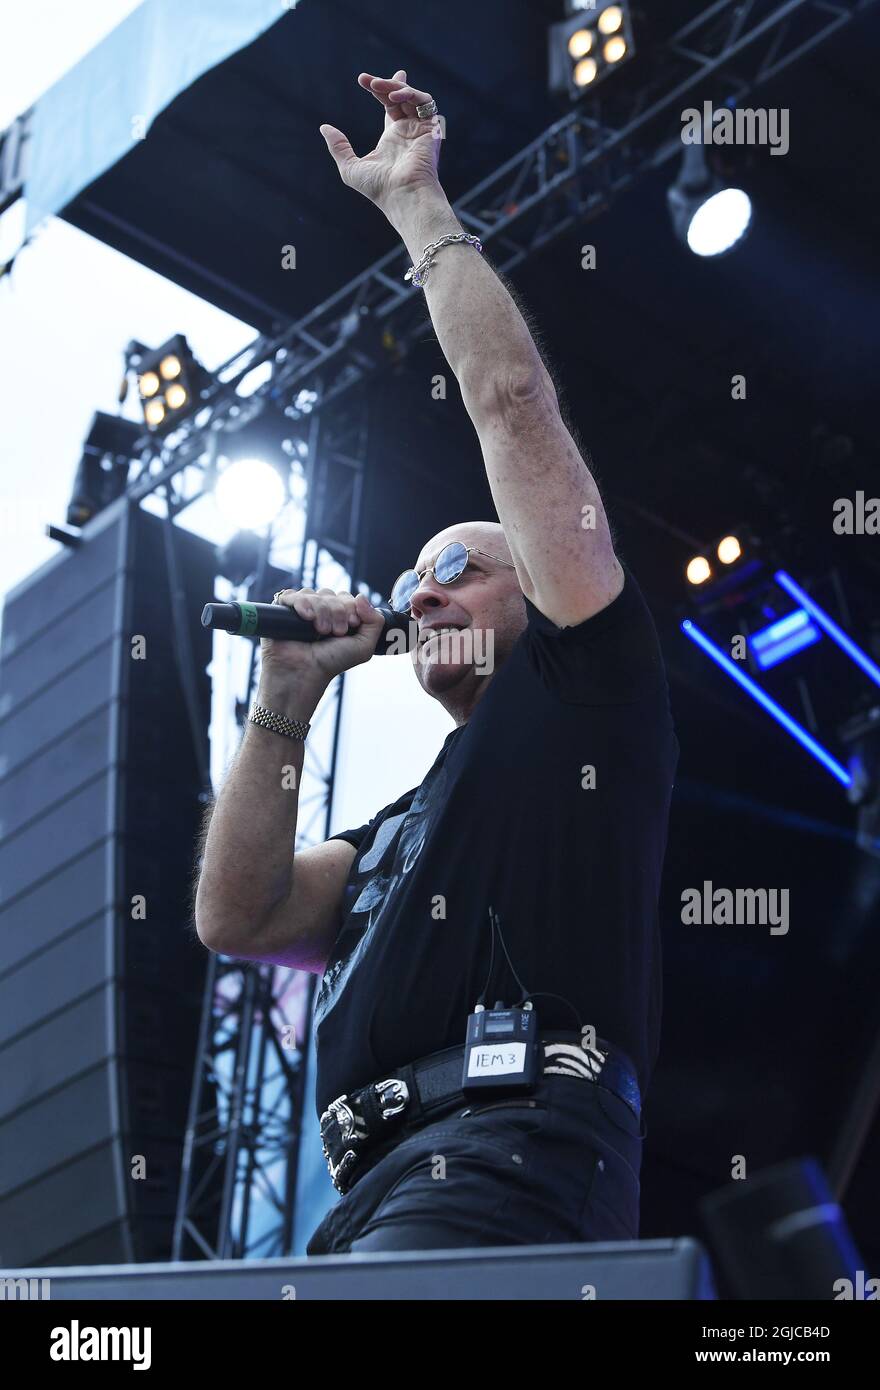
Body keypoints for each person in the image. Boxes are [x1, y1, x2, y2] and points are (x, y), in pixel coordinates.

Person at [194, 71, 678, 1255]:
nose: (424, 590)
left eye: (461, 565)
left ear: (543, 591)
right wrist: (285, 698)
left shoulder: (583, 694)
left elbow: (512, 403)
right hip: (378, 1192)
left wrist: (416, 207)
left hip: (503, 1159)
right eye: (415, 577)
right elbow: (235, 915)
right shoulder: (407, 819)